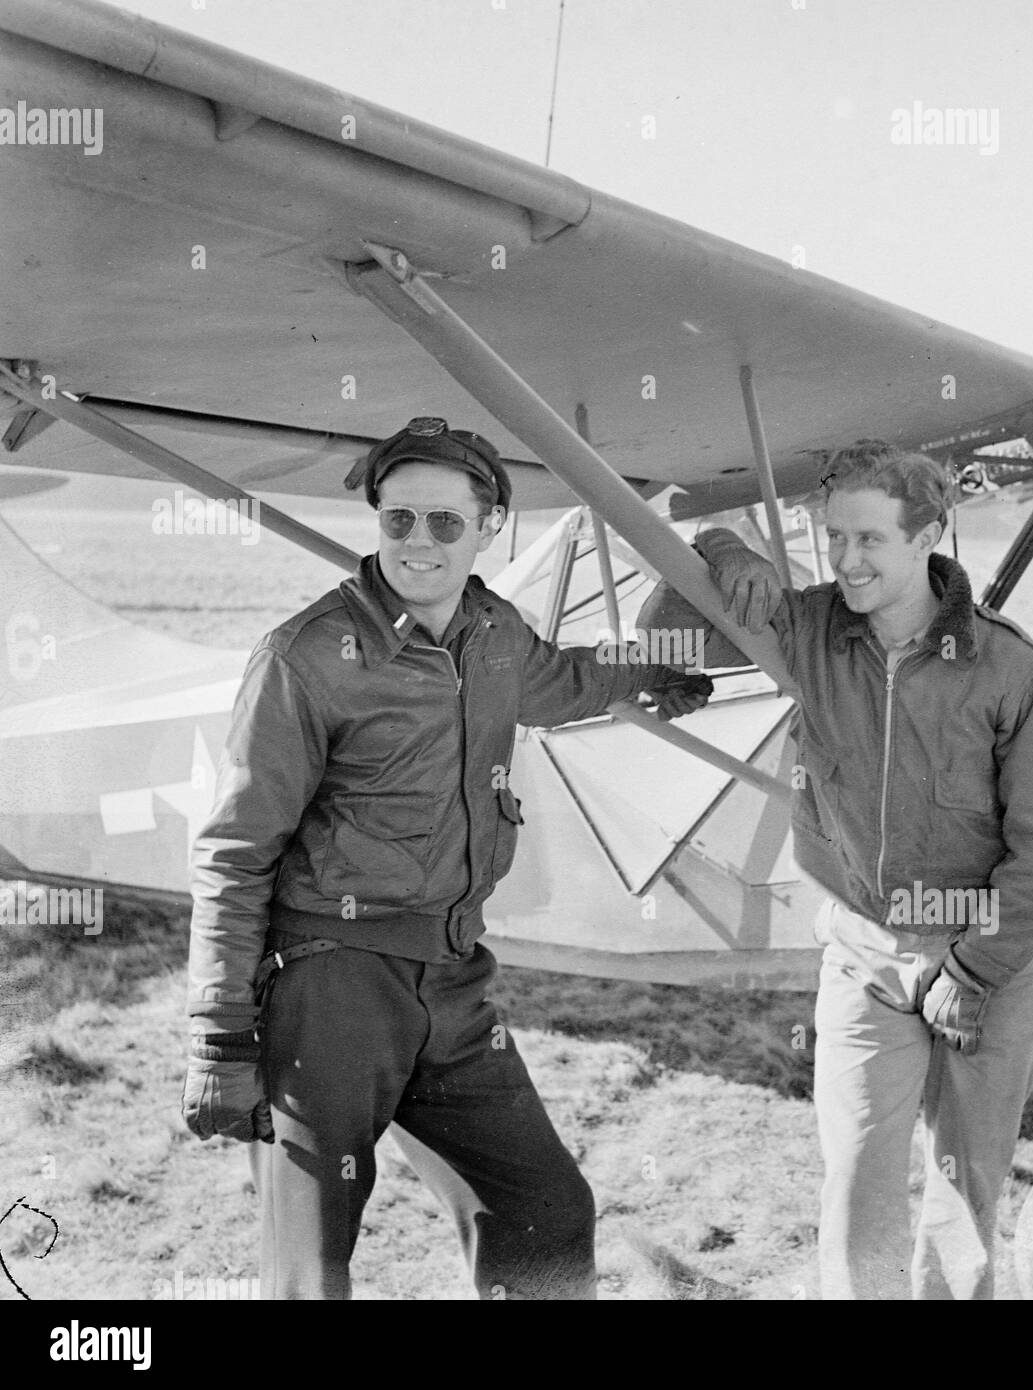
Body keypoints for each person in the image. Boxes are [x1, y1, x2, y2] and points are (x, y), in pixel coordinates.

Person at [181, 416, 712, 1300]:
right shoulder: (306, 656)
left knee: (545, 1209)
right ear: (377, 520)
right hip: (329, 980)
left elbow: (560, 680)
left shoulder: (491, 630)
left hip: (453, 980)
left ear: (490, 525)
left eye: (444, 524)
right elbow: (236, 854)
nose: (417, 544)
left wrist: (649, 669)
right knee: (310, 1266)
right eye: (398, 521)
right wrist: (218, 1035)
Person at [637, 439, 1033, 1299]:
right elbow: (662, 637)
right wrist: (725, 550)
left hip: (985, 961)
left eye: (869, 540)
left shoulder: (1009, 667)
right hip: (862, 953)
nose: (845, 562)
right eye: (833, 538)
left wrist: (974, 967)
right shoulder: (807, 627)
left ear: (927, 536)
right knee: (854, 1180)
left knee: (964, 1191)